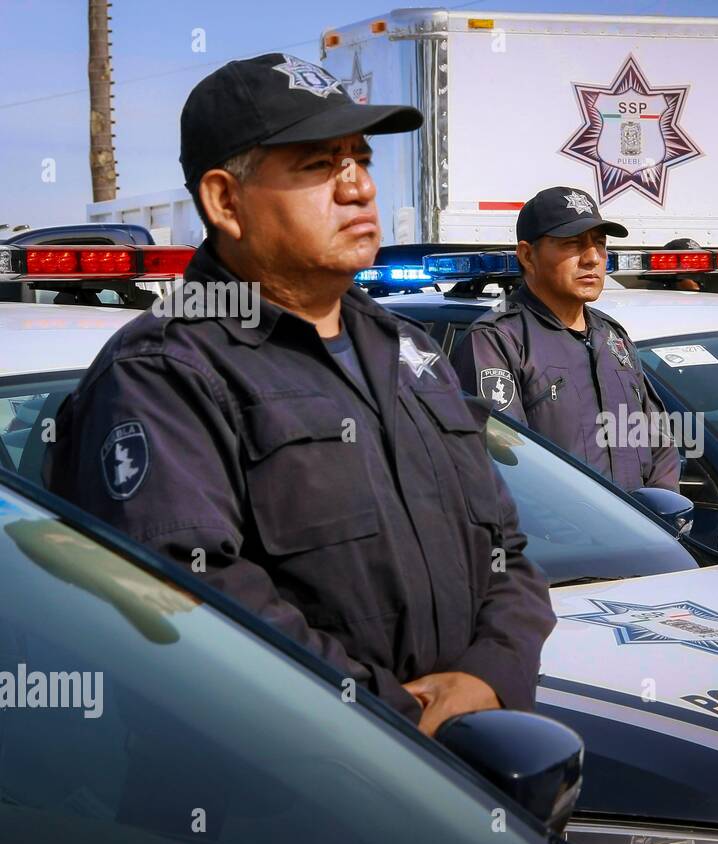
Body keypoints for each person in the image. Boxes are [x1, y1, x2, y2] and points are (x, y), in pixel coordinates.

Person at [44, 53, 555, 736]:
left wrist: (490, 677)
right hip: (285, 809)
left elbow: (508, 549)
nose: (359, 189)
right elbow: (188, 605)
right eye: (319, 166)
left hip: (462, 777)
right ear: (226, 201)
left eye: (361, 161)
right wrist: (402, 720)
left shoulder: (410, 352)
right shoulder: (163, 374)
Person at [451, 186, 680, 492]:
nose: (592, 258)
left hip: (640, 535)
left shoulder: (613, 338)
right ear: (527, 255)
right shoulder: (498, 341)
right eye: (572, 244)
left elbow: (659, 441)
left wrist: (658, 516)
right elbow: (507, 463)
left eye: (599, 243)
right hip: (558, 539)